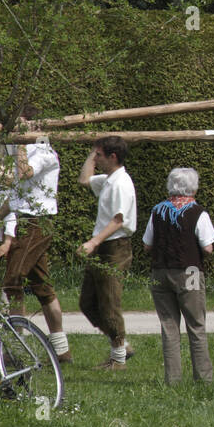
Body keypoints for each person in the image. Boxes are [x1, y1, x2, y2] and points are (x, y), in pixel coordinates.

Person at [0, 120, 69, 362]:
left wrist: (21, 145)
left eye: (22, 128)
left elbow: (25, 173)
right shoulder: (19, 153)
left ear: (37, 129)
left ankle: (15, 349)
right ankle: (62, 351)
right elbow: (16, 195)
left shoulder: (45, 151)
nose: (17, 132)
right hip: (25, 222)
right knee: (43, 287)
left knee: (12, 281)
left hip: (38, 222)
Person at [143, 167, 214, 384]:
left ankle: (172, 379)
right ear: (193, 187)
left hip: (160, 272)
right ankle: (203, 379)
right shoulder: (198, 212)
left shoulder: (157, 210)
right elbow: (208, 248)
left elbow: (147, 245)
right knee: (196, 325)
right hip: (190, 272)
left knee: (169, 326)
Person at [77, 136, 137, 370]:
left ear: (113, 157)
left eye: (99, 155)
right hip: (103, 246)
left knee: (110, 304)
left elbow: (119, 220)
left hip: (115, 247)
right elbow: (84, 180)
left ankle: (118, 359)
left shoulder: (122, 183)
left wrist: (93, 242)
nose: (96, 159)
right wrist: (93, 152)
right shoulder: (110, 179)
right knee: (88, 303)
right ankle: (121, 345)